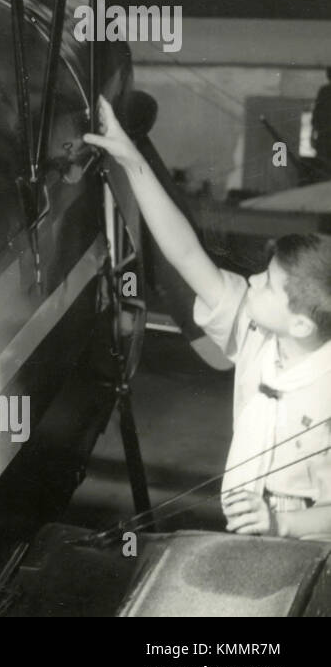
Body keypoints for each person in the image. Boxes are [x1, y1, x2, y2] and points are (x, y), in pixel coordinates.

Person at [84, 95, 331, 540]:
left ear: (301, 324)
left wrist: (282, 523)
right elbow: (184, 251)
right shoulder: (259, 332)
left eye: (269, 284)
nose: (252, 281)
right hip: (250, 534)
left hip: (306, 552)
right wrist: (131, 158)